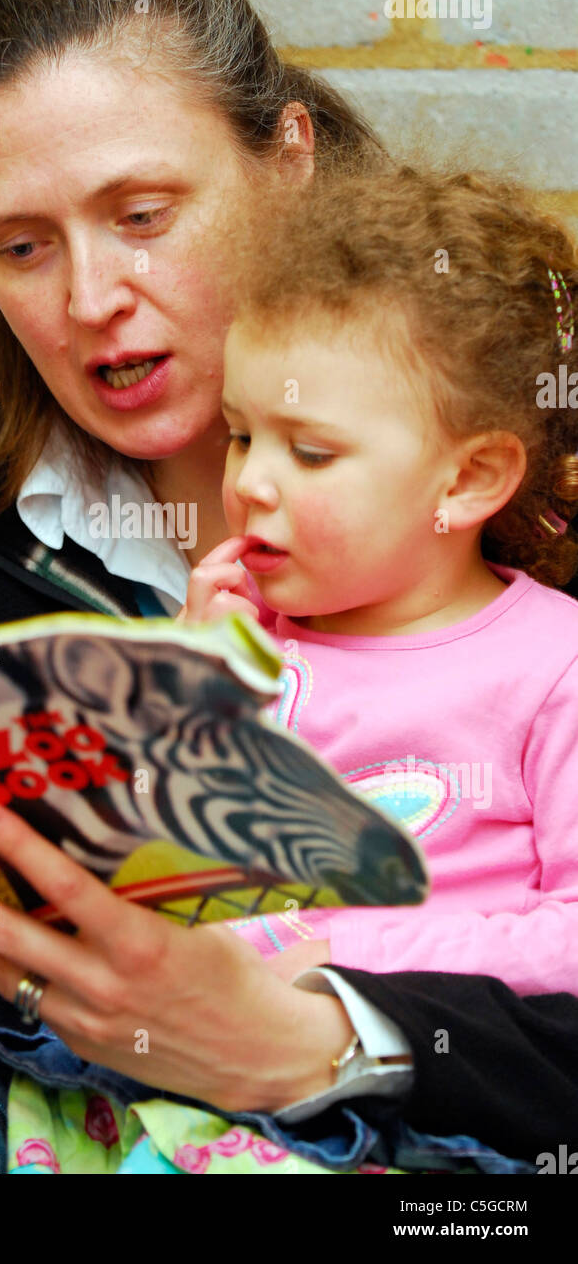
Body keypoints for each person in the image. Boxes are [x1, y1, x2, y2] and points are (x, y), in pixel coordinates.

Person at [0, 0, 577, 1174]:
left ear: (288, 160)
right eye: (21, 246)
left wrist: (325, 1039)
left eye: (144, 215)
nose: (90, 297)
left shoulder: (529, 489)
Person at [181, 164, 578, 1001]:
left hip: (407, 1098)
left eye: (312, 452)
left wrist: (344, 956)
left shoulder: (553, 669)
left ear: (467, 479)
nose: (252, 484)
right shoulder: (237, 633)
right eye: (241, 436)